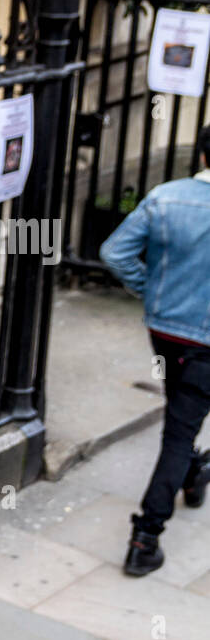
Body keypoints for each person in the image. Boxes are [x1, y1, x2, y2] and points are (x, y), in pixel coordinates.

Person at [99, 124, 210, 576]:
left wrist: (152, 293)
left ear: (203, 155)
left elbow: (114, 252)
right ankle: (146, 537)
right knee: (179, 432)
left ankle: (191, 471)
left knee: (181, 414)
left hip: (166, 333)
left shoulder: (167, 196)